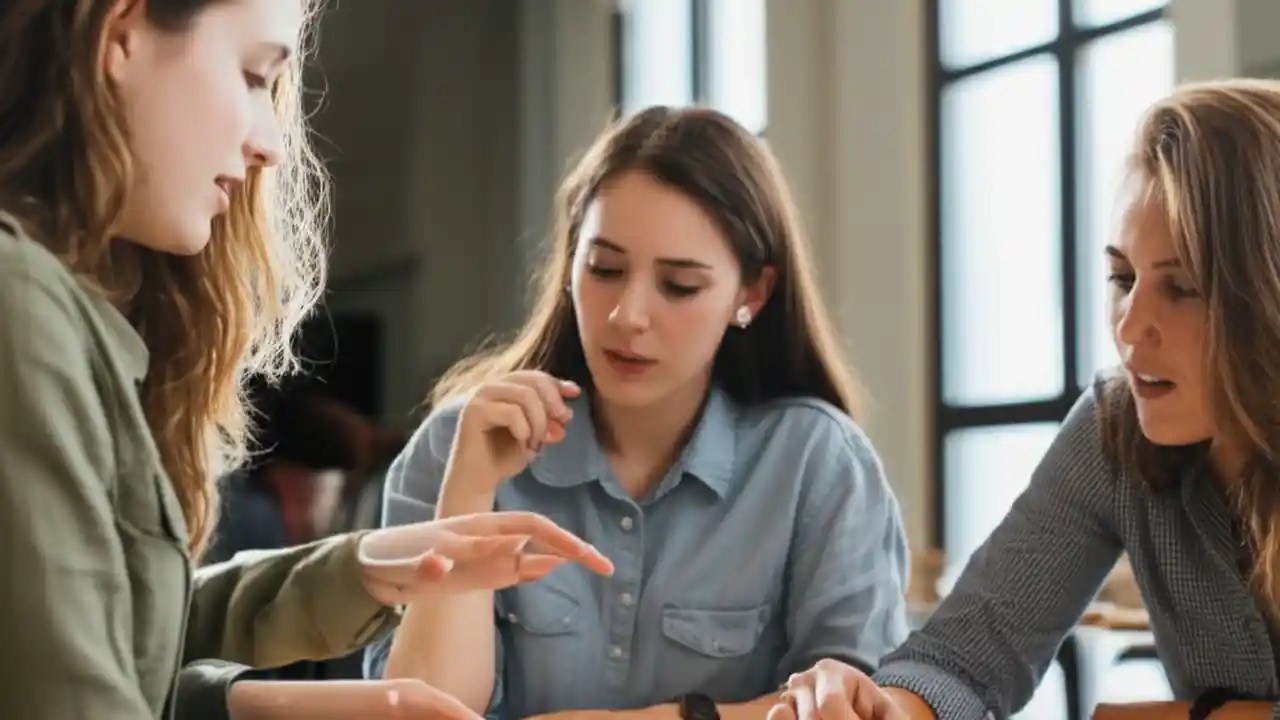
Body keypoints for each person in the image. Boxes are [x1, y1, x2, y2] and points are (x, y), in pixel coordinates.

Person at [0, 2, 613, 719]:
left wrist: (358, 580)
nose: (272, 145)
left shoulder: (62, 310)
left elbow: (123, 633)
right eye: (255, 75)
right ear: (122, 35)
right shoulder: (21, 305)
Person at [365, 106, 911, 719]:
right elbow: (415, 713)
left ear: (750, 294)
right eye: (604, 269)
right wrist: (467, 492)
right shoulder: (457, 446)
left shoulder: (816, 462)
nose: (628, 316)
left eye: (679, 286)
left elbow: (860, 708)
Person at [770, 79, 1280, 720]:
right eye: (1123, 278)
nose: (1128, 326)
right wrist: (885, 710)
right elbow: (967, 656)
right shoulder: (1114, 426)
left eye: (1179, 287)